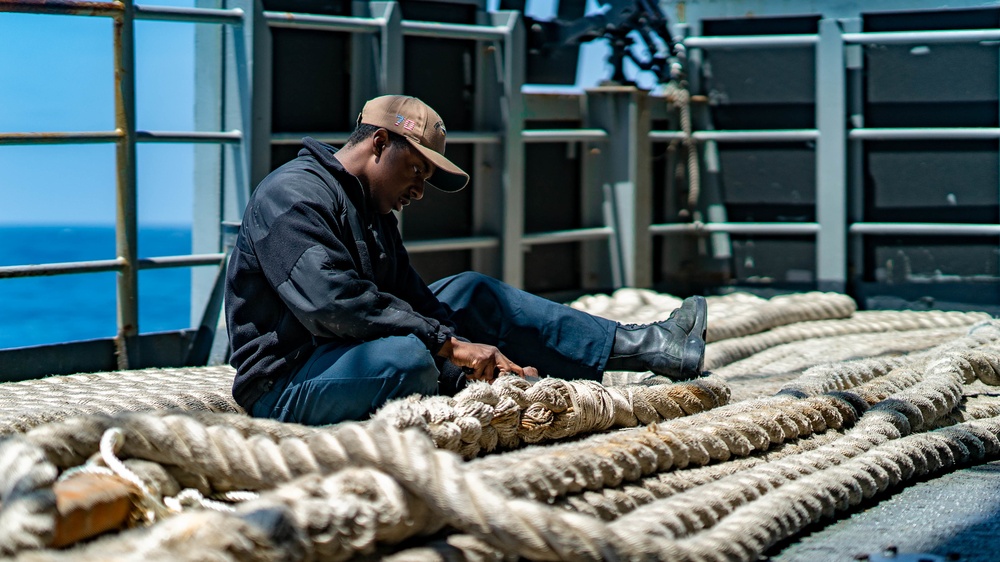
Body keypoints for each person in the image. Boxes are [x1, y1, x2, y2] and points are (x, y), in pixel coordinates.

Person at [225, 94, 708, 426]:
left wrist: (490, 362)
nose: (418, 190)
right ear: (378, 143)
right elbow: (332, 304)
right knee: (408, 357)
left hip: (345, 356)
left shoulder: (369, 211)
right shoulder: (293, 196)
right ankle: (458, 383)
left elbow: (413, 299)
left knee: (471, 293)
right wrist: (452, 349)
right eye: (417, 169)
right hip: (287, 381)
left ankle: (650, 345)